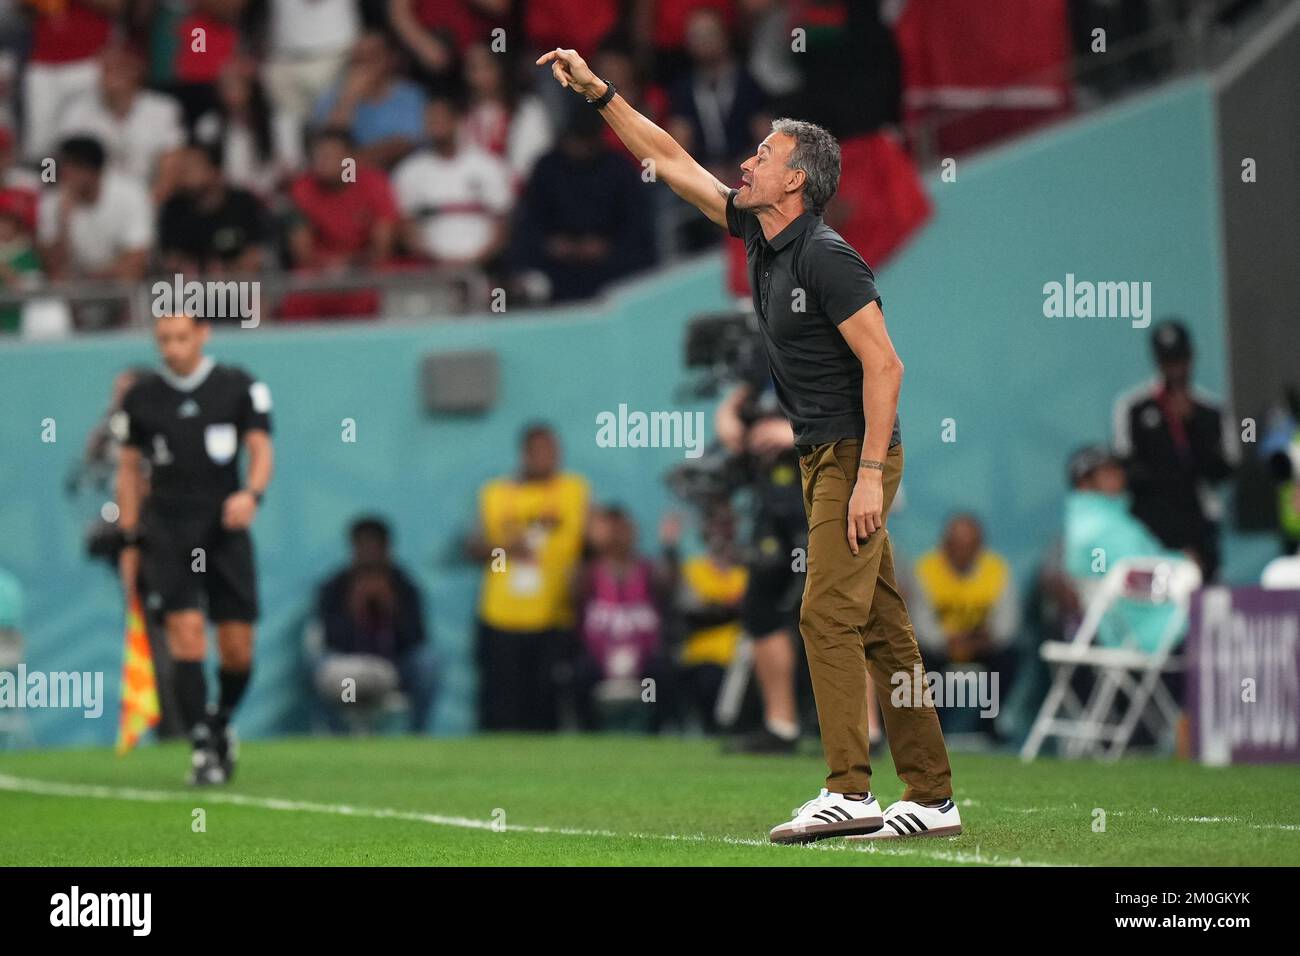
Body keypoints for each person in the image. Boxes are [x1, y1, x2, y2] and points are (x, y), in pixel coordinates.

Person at [537, 46, 957, 842]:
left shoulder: (828, 257)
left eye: (763, 154)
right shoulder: (762, 237)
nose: (746, 162)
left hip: (852, 454)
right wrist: (600, 94)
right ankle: (933, 799)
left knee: (823, 615)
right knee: (882, 629)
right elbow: (669, 159)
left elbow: (886, 366)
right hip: (822, 456)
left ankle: (850, 789)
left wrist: (870, 476)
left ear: (796, 180)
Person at [112, 311, 274, 785]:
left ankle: (220, 720)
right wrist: (129, 538)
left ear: (202, 334)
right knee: (185, 634)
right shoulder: (141, 397)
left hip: (223, 528)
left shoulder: (238, 386)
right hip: (167, 530)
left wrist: (252, 494)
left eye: (181, 337)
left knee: (237, 648)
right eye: (163, 339)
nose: (172, 348)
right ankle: (202, 746)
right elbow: (128, 470)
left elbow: (261, 448)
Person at [466, 423, 589, 731]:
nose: (549, 458)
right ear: (525, 454)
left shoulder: (573, 490)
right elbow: (474, 549)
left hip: (552, 614)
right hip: (500, 613)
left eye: (554, 451)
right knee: (501, 708)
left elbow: (590, 543)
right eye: (541, 451)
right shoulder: (495, 493)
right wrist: (506, 550)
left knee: (545, 708)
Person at [1112, 319, 1238, 581]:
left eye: (1180, 359)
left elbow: (1224, 471)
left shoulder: (1212, 411)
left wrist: (1192, 425)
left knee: (1202, 594)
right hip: (1150, 530)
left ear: (1191, 357)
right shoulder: (1132, 407)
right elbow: (1127, 469)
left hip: (1199, 528)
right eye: (1167, 361)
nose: (1175, 369)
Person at [313, 517, 434, 732]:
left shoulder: (404, 586)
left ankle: (417, 733)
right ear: (353, 549)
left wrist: (392, 609)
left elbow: (417, 637)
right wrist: (354, 610)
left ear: (387, 549)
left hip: (395, 667)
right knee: (331, 675)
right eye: (363, 547)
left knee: (427, 664)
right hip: (350, 672)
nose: (369, 555)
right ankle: (342, 733)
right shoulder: (336, 587)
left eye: (375, 547)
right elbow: (331, 640)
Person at [911, 513, 1020, 738]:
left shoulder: (996, 570)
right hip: (940, 647)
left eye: (968, 546)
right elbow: (919, 624)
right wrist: (948, 642)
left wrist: (978, 641)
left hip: (982, 645)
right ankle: (930, 725)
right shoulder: (926, 569)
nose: (962, 552)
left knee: (1010, 656)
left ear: (979, 547)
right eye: (957, 545)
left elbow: (1006, 625)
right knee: (916, 657)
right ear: (945, 544)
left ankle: (989, 723)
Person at [392, 96, 513, 268]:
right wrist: (434, 260)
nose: (436, 125)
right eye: (431, 120)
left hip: (484, 267)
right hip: (430, 270)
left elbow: (502, 224)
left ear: (457, 121)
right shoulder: (408, 171)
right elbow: (406, 227)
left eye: (441, 118)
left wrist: (477, 259)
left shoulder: (489, 166)